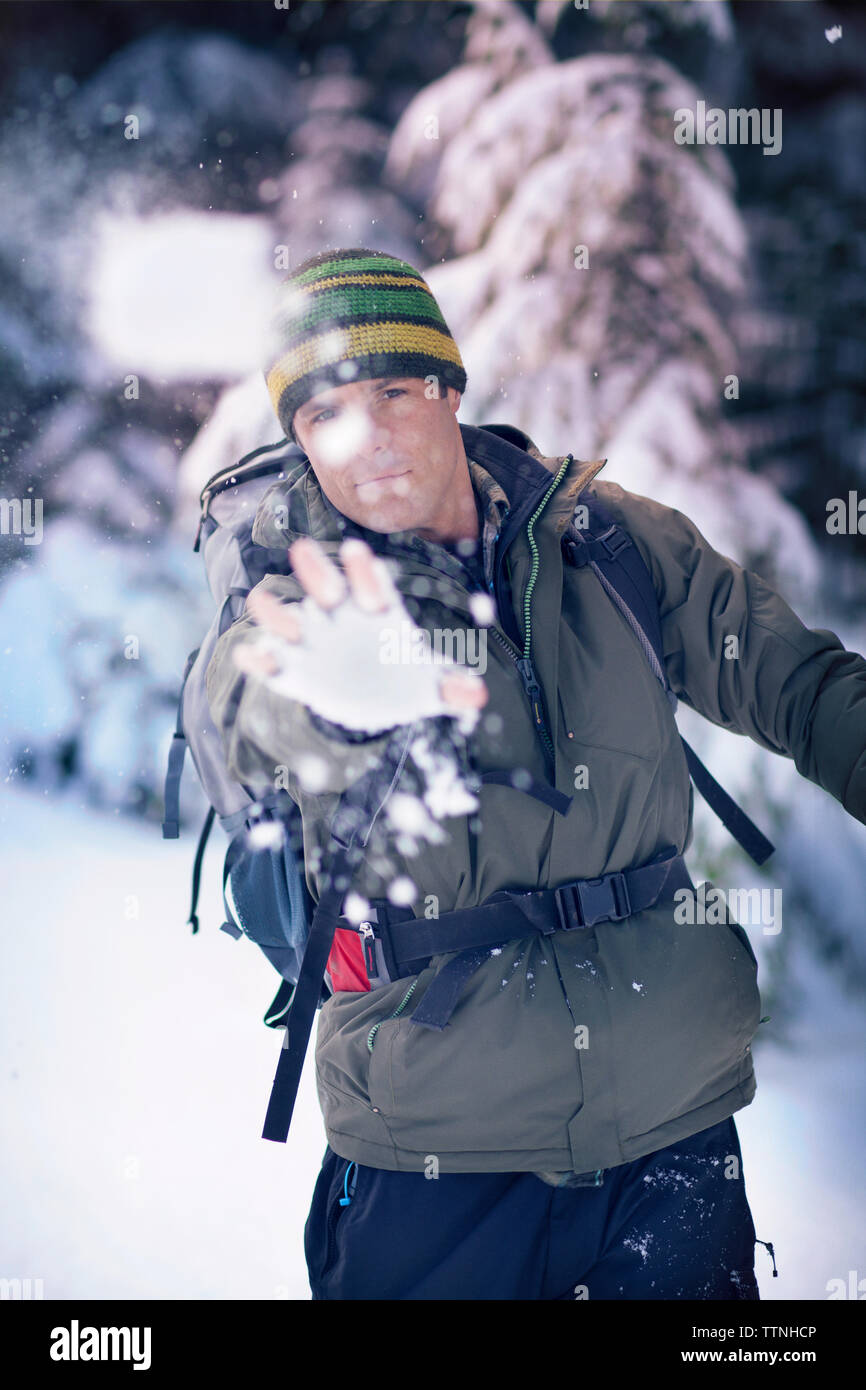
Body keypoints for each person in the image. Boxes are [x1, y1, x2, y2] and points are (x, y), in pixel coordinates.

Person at [205, 248, 866, 1300]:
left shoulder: (604, 542)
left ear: (449, 391)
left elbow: (801, 686)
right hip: (434, 1159)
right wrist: (331, 697)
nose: (368, 435)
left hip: (671, 1130)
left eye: (393, 390)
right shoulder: (291, 597)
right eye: (326, 412)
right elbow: (235, 716)